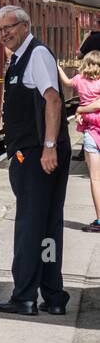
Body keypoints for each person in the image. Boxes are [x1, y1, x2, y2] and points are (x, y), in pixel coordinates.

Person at [0, 5, 70, 316]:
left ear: (25, 25)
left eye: (8, 27)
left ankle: (24, 296)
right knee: (47, 225)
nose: (3, 34)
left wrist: (49, 146)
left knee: (28, 225)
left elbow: (52, 99)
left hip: (37, 153)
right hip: (39, 151)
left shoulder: (36, 55)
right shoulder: (23, 56)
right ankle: (52, 296)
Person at [60, 50, 100, 233]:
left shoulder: (79, 80)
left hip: (91, 133)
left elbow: (67, 82)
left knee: (95, 179)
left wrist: (58, 68)